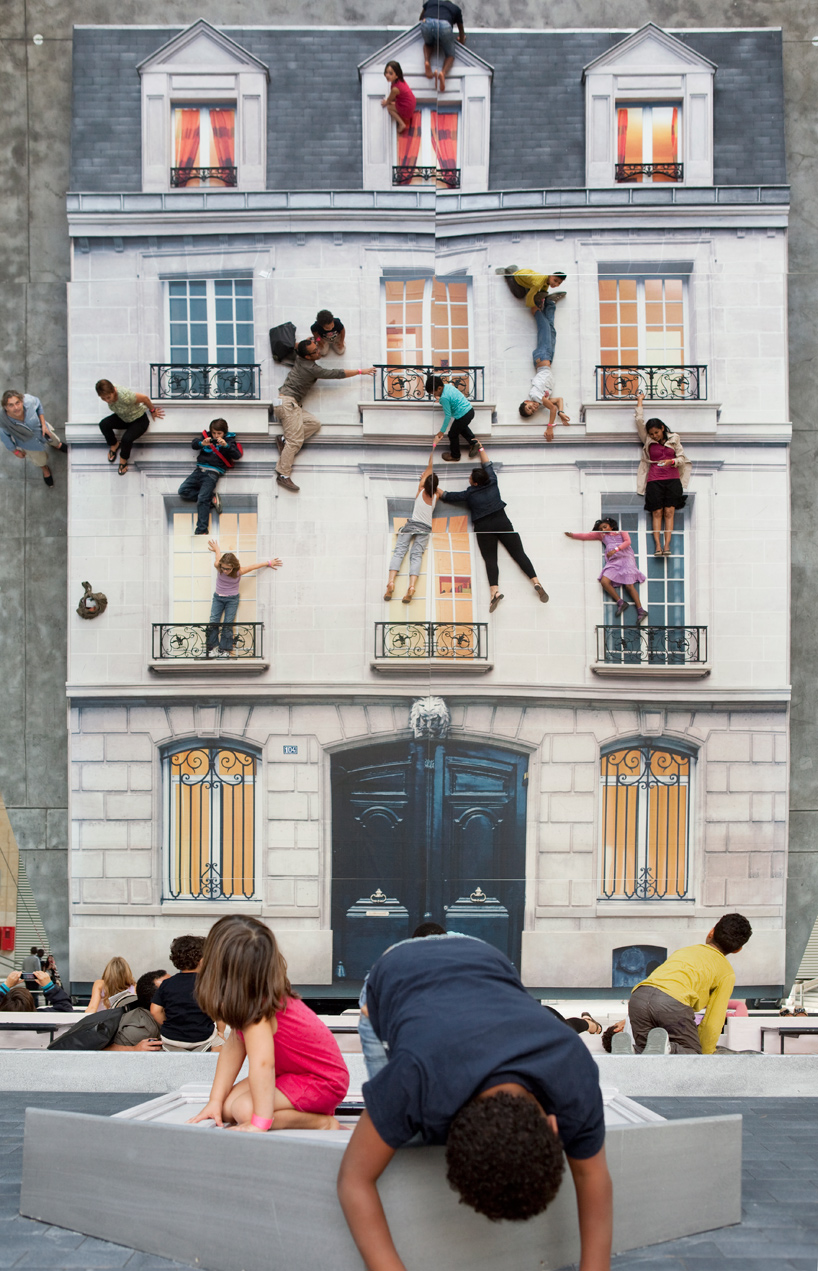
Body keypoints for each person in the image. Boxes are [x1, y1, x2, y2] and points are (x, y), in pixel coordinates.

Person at [337, 936, 611, 1271]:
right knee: (407, 1137)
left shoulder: (572, 1068)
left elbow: (592, 1177)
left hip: (485, 957)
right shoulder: (415, 1078)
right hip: (397, 969)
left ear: (555, 1126)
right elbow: (353, 1179)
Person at [189, 915, 349, 1130]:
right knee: (226, 1109)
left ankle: (322, 1122)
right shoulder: (249, 1000)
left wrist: (260, 1123)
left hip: (321, 1082)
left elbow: (263, 1064)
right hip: (291, 1076)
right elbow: (233, 1048)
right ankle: (288, 1112)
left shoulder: (260, 1010)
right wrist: (214, 1101)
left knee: (245, 1112)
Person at [614, 914, 753, 1055]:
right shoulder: (726, 973)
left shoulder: (685, 951)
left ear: (711, 932)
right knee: (691, 1053)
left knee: (649, 1053)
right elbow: (713, 1022)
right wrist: (705, 1052)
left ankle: (632, 1050)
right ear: (737, 950)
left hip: (639, 997)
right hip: (672, 1002)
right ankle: (669, 1049)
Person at [439, 444, 548, 613]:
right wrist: (481, 448)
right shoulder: (492, 481)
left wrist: (432, 485)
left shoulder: (470, 493)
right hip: (501, 520)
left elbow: (447, 496)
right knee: (519, 554)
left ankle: (494, 593)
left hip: (483, 527)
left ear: (475, 482)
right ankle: (536, 582)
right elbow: (487, 464)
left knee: (491, 560)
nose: (469, 478)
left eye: (470, 478)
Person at [273, 338, 374, 493]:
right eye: (315, 351)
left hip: (290, 404)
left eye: (317, 348)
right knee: (295, 441)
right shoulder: (312, 368)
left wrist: (313, 339)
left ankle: (283, 439)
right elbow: (336, 374)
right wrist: (361, 371)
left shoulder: (300, 357)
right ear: (307, 356)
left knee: (314, 423)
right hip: (287, 404)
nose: (319, 351)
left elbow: (300, 345)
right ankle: (283, 474)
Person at [635, 391, 691, 557]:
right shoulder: (648, 440)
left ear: (662, 429)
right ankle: (657, 546)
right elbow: (639, 421)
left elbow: (681, 457)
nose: (654, 436)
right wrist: (640, 401)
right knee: (657, 512)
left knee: (669, 512)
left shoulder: (674, 438)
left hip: (672, 479)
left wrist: (671, 461)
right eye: (651, 434)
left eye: (656, 433)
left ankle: (667, 545)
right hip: (654, 480)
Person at [206, 538, 281, 658]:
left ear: (233, 567)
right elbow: (218, 557)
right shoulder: (218, 567)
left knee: (227, 624)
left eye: (228, 569)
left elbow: (253, 566)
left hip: (232, 599)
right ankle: (212, 648)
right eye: (224, 568)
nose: (225, 571)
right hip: (218, 598)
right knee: (213, 621)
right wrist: (217, 549)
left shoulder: (238, 572)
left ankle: (224, 650)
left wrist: (269, 562)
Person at [565, 518, 648, 622]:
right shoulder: (602, 536)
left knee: (629, 585)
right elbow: (586, 536)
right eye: (600, 528)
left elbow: (628, 542)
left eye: (605, 527)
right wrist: (572, 535)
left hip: (626, 558)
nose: (603, 529)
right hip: (613, 561)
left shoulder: (621, 532)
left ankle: (641, 611)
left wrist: (615, 550)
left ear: (611, 526)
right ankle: (621, 602)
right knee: (604, 582)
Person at [384, 453, 441, 604]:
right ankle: (411, 587)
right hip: (426, 528)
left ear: (425, 483)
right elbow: (436, 488)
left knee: (399, 551)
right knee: (416, 556)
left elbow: (430, 466)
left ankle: (390, 583)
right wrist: (433, 484)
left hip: (412, 525)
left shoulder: (420, 490)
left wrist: (434, 445)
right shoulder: (437, 495)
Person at [150, 937, 219, 1053]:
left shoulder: (167, 983)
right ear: (201, 961)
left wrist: (170, 1024)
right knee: (223, 1046)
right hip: (202, 1038)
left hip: (171, 1039)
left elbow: (155, 1011)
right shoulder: (209, 983)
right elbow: (220, 1011)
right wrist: (220, 1031)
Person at [178, 418, 243, 535]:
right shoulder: (206, 436)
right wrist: (202, 443)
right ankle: (211, 498)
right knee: (183, 491)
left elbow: (237, 455)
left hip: (212, 472)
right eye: (214, 433)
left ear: (224, 432)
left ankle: (202, 530)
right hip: (199, 470)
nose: (216, 436)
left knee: (202, 498)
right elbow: (194, 444)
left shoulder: (229, 440)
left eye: (219, 433)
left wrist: (226, 446)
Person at [95, 378, 165, 476]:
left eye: (108, 397)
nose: (107, 400)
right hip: (124, 418)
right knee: (103, 424)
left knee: (126, 439)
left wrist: (152, 411)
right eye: (103, 398)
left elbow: (145, 398)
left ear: (113, 391)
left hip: (139, 420)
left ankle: (123, 459)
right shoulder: (108, 394)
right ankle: (114, 444)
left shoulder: (125, 395)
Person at [0, 390, 68, 488]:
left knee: (55, 440)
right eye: (11, 405)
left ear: (22, 401)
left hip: (43, 431)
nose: (16, 408)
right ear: (6, 407)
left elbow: (38, 405)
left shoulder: (28, 400)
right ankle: (45, 469)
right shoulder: (2, 422)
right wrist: (15, 451)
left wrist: (44, 425)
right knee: (40, 460)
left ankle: (58, 445)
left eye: (17, 403)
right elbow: (5, 438)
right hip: (28, 444)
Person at [107, 970, 171, 1053]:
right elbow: (97, 1051)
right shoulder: (142, 1029)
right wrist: (133, 1049)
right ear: (158, 1003)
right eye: (171, 987)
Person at [426, 375, 480, 463]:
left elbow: (448, 415)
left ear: (439, 388)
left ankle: (455, 456)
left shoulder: (444, 398)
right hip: (469, 411)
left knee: (452, 434)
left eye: (433, 393)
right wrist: (440, 400)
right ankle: (474, 443)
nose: (434, 395)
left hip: (463, 415)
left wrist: (442, 431)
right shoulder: (447, 386)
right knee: (461, 428)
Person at [518, 361, 570, 442]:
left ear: (527, 401)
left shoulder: (534, 396)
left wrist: (550, 427)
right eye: (532, 412)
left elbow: (552, 408)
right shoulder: (541, 403)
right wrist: (560, 412)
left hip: (542, 362)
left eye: (529, 407)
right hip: (547, 364)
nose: (533, 409)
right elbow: (559, 400)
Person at [419, 0, 465, 91]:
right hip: (444, 24)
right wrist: (461, 40)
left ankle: (427, 61)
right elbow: (461, 29)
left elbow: (421, 17)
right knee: (450, 54)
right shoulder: (456, 9)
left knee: (428, 44)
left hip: (427, 22)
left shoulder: (431, 2)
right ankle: (443, 73)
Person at [495, 265, 568, 311]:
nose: (555, 284)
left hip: (526, 274)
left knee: (535, 290)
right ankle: (508, 274)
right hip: (518, 278)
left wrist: (543, 295)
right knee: (520, 295)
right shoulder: (538, 283)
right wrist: (532, 306)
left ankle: (515, 269)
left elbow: (544, 287)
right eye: (555, 280)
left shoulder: (546, 279)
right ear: (550, 276)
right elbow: (530, 296)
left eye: (559, 283)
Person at [0, 969, 74, 1012]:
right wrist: (49, 986)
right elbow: (65, 1008)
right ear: (32, 1004)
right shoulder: (43, 1020)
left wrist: (6, 985)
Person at [381, 62, 416, 135]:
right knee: (392, 103)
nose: (387, 75)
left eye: (390, 74)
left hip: (407, 107)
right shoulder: (400, 81)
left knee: (389, 108)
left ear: (396, 76)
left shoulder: (395, 88)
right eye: (386, 72)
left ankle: (401, 124)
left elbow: (389, 99)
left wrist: (386, 102)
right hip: (410, 101)